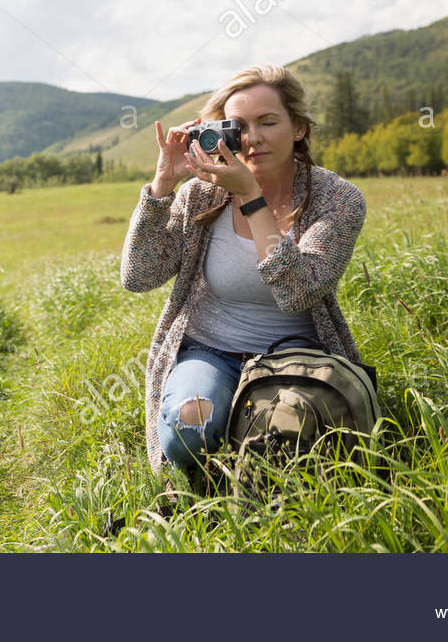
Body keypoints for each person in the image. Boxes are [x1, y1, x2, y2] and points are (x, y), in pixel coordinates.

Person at [120, 63, 367, 479]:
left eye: (268, 122)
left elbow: (298, 293)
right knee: (188, 431)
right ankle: (216, 454)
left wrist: (251, 198)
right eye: (240, 127)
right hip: (209, 350)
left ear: (299, 128)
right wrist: (163, 185)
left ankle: (239, 457)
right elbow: (138, 277)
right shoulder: (202, 194)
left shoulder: (337, 199)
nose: (253, 138)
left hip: (295, 355)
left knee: (283, 448)